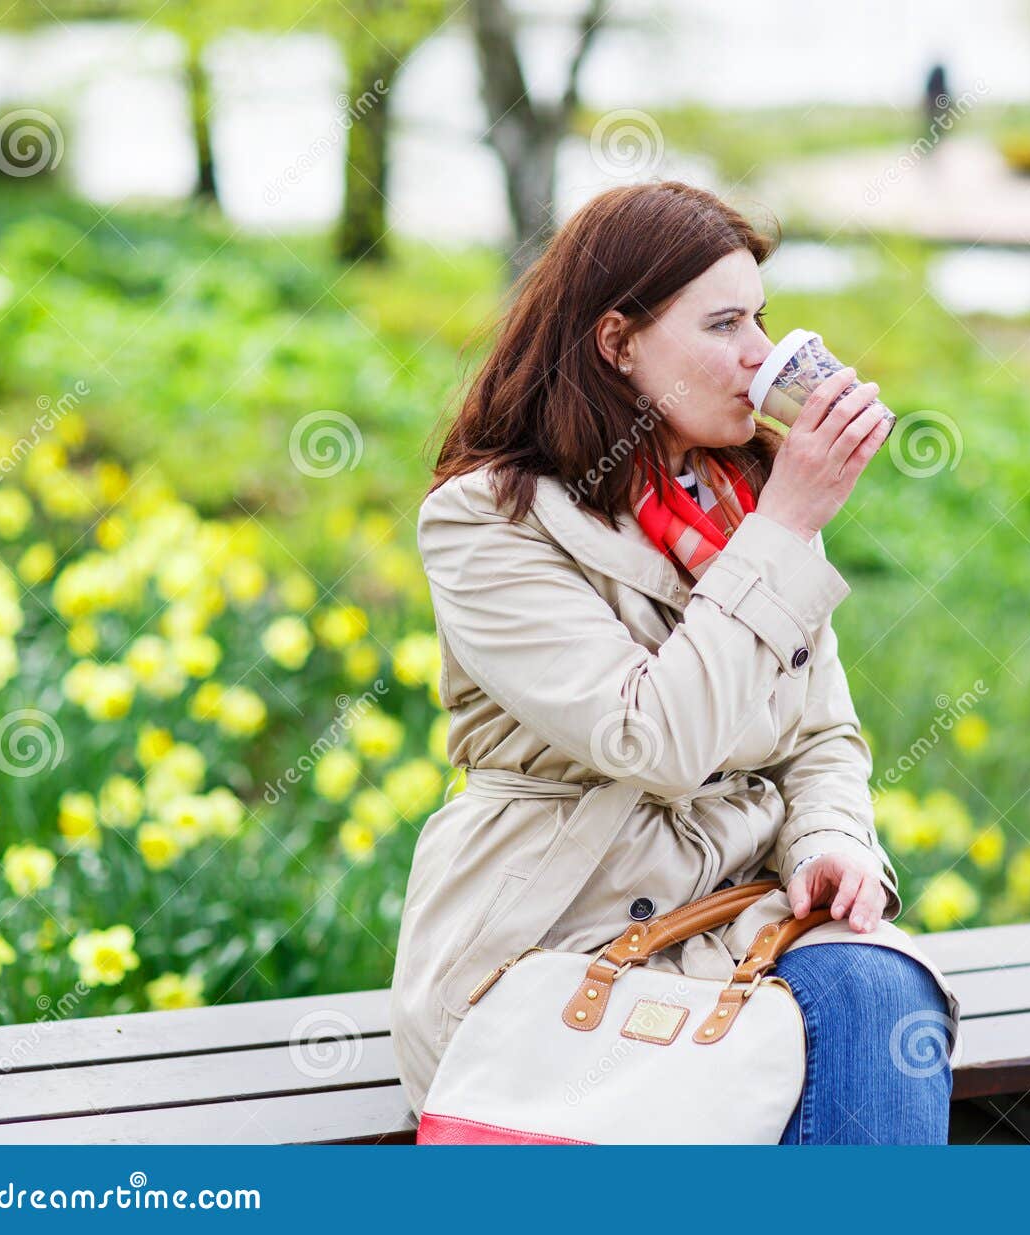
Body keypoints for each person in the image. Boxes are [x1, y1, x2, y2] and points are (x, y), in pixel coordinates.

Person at [390, 180, 961, 1145]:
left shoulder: (748, 504)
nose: (760, 354)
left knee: (882, 988)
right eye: (725, 323)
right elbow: (651, 739)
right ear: (617, 343)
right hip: (553, 940)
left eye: (763, 320)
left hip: (738, 926)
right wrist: (785, 528)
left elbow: (820, 733)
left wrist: (832, 845)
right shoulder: (488, 521)